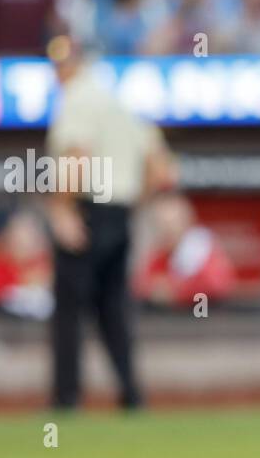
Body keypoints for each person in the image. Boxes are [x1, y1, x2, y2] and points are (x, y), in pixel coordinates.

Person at [45, 35, 173, 409]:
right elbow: (159, 165)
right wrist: (133, 205)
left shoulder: (78, 98)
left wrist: (62, 210)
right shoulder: (115, 99)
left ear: (74, 65)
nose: (59, 72)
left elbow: (77, 156)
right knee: (113, 308)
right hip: (118, 213)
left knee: (69, 310)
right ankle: (131, 395)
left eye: (62, 64)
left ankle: (66, 399)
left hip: (87, 209)